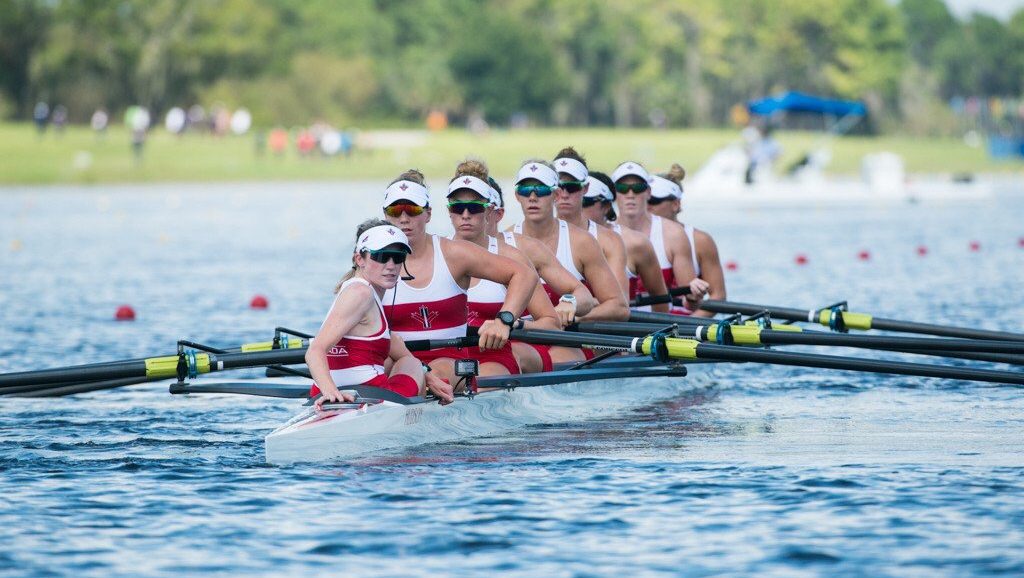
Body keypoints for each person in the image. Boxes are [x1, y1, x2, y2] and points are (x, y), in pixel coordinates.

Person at [381, 169, 537, 385]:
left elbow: (524, 274)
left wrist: (504, 320)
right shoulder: (373, 260)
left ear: (428, 214)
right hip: (400, 360)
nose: (404, 219)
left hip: (448, 361)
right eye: (395, 211)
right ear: (385, 215)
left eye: (413, 210)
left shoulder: (453, 253)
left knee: (422, 373)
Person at [305, 220, 454, 410]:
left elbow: (393, 343)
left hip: (331, 393)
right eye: (382, 256)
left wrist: (429, 375)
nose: (391, 265)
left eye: (397, 257)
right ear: (360, 259)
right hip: (362, 395)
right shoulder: (361, 293)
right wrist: (330, 394)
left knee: (406, 360)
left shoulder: (356, 289)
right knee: (412, 363)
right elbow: (314, 351)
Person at [446, 159, 562, 376]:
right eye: (458, 207)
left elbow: (552, 324)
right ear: (448, 211)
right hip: (450, 356)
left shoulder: (512, 258)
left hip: (504, 352)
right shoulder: (436, 253)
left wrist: (510, 325)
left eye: (474, 208)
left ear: (490, 211)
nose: (465, 215)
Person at [509, 159, 629, 362]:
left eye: (542, 190)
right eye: (526, 189)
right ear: (517, 195)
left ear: (555, 195)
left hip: (572, 340)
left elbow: (619, 307)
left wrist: (574, 311)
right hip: (522, 339)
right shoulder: (506, 241)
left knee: (553, 358)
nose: (533, 197)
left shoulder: (582, 242)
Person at [485, 176, 600, 372]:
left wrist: (570, 303)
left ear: (498, 213)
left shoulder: (527, 249)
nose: (467, 215)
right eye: (458, 208)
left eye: (478, 208)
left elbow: (615, 306)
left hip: (538, 341)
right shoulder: (451, 252)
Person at [612, 161, 709, 314]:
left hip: (659, 327)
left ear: (648, 192)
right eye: (622, 188)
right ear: (614, 194)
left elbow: (690, 304)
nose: (630, 195)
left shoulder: (674, 234)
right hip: (615, 327)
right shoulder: (602, 233)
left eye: (638, 188)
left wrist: (692, 298)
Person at [582, 171, 670, 312]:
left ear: (606, 206)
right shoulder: (554, 238)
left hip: (619, 329)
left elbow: (660, 300)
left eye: (584, 202)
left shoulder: (635, 242)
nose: (576, 206)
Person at [647, 164, 727, 317]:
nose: (647, 206)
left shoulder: (700, 240)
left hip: (684, 327)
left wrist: (685, 329)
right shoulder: (630, 238)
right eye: (645, 200)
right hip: (642, 326)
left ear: (676, 204)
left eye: (654, 201)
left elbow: (718, 296)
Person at [551, 147, 630, 297]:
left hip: (589, 319)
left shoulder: (610, 242)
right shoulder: (529, 238)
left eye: (572, 187)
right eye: (559, 187)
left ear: (585, 188)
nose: (564, 194)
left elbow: (620, 304)